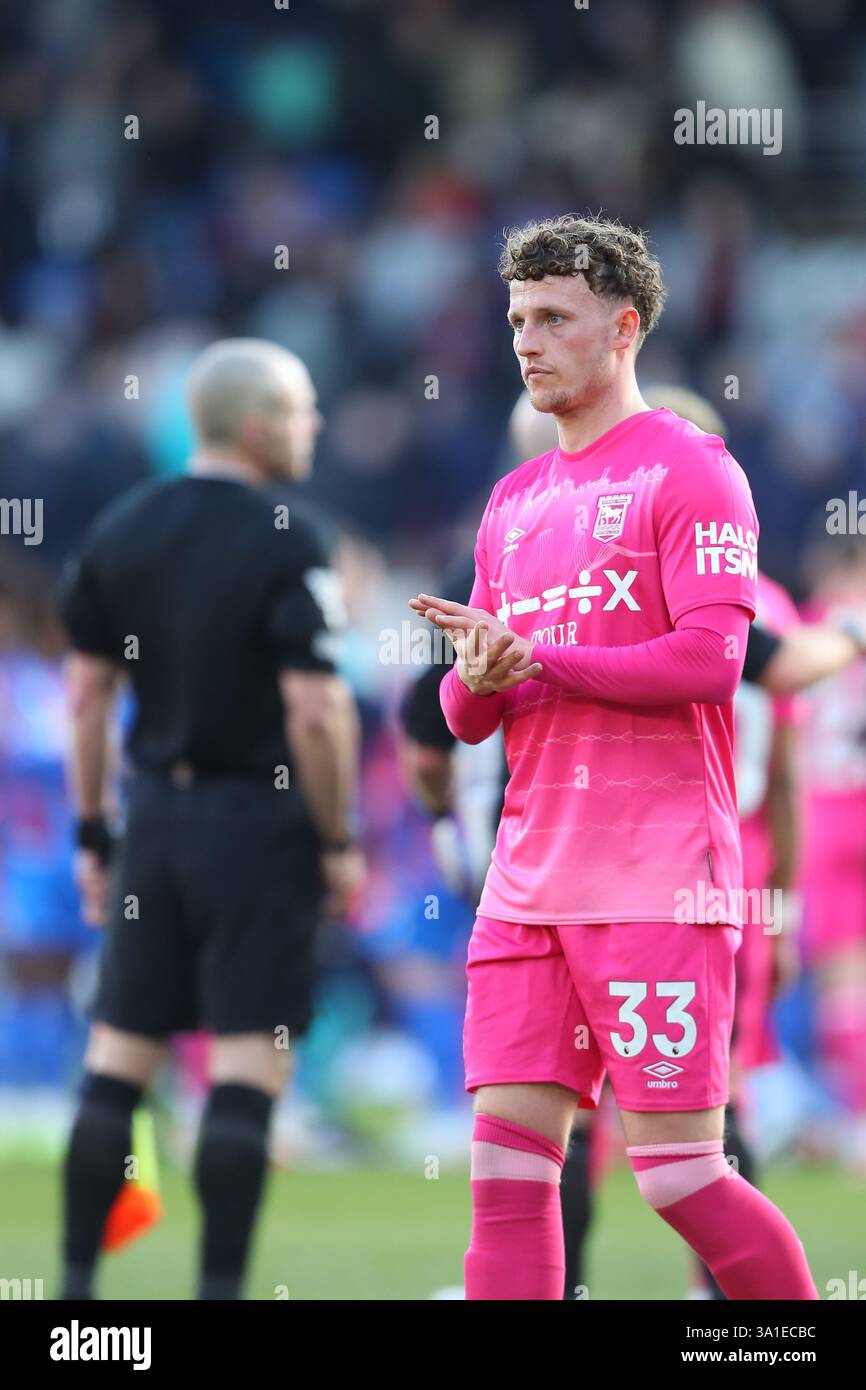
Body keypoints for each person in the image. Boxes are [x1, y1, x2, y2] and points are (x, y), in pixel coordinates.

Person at [409, 213, 817, 1300]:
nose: (526, 342)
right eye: (514, 321)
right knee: (502, 1182)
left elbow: (706, 662)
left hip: (653, 883)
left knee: (680, 1176)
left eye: (552, 318)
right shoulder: (511, 503)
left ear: (623, 328)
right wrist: (479, 677)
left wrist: (536, 657)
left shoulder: (692, 473)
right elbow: (464, 715)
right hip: (523, 888)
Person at [58, 337, 364, 1300]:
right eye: (304, 408)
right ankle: (219, 1295)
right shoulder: (290, 536)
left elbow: (85, 698)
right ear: (256, 422)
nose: (315, 426)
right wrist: (338, 838)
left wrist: (93, 832)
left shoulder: (120, 531)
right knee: (248, 1064)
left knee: (117, 1060)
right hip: (258, 825)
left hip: (154, 820)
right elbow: (316, 710)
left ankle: (72, 1296)